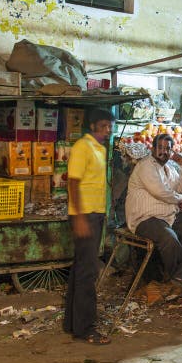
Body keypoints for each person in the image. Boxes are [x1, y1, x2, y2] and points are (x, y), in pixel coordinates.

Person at [63, 108, 115, 345]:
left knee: (80, 269)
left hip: (96, 214)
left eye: (109, 126)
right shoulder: (82, 148)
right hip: (85, 216)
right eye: (104, 126)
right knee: (88, 272)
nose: (107, 130)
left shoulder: (101, 149)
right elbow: (73, 183)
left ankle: (72, 323)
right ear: (92, 126)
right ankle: (86, 329)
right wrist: (80, 218)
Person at [125, 133, 182, 290]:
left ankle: (181, 278)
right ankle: (181, 279)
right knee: (169, 238)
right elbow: (162, 192)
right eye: (160, 148)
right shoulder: (146, 166)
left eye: (168, 149)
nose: (164, 152)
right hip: (145, 219)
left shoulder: (168, 169)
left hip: (167, 216)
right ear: (153, 149)